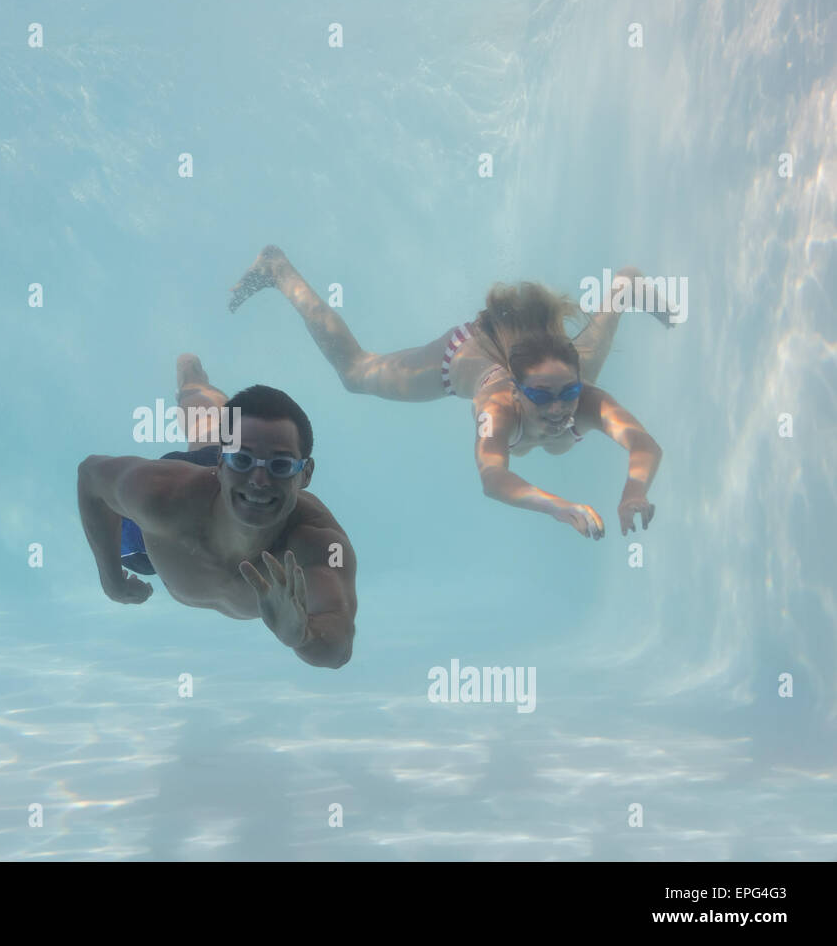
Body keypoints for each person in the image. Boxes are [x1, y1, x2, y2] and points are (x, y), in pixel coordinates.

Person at [228, 246, 662, 539]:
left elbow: (643, 444)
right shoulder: (497, 409)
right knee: (355, 372)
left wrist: (634, 492)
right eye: (542, 396)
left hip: (550, 358)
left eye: (568, 393)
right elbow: (494, 478)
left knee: (598, 336)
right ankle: (277, 269)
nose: (559, 408)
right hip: (467, 356)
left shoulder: (582, 392)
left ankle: (625, 284)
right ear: (517, 389)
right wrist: (555, 506)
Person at [78, 356, 357, 668]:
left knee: (223, 435)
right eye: (242, 461)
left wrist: (303, 636)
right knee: (206, 428)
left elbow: (339, 646)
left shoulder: (317, 545)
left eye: (280, 465)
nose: (259, 482)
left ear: (305, 474)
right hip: (175, 521)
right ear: (221, 463)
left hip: (211, 497)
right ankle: (191, 378)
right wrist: (111, 579)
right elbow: (90, 476)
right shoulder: (159, 497)